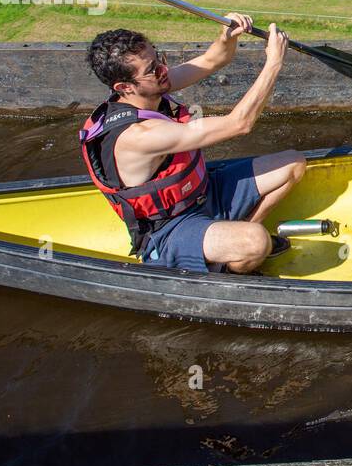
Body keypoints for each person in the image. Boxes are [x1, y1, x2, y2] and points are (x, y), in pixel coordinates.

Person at [79, 15, 305, 274]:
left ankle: (230, 242)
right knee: (256, 241)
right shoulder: (140, 135)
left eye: (159, 58)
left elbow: (212, 60)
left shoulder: (152, 87)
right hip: (172, 227)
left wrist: (226, 36)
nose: (163, 70)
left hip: (203, 192)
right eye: (152, 69)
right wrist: (274, 63)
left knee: (293, 163)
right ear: (124, 87)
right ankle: (234, 264)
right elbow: (239, 124)